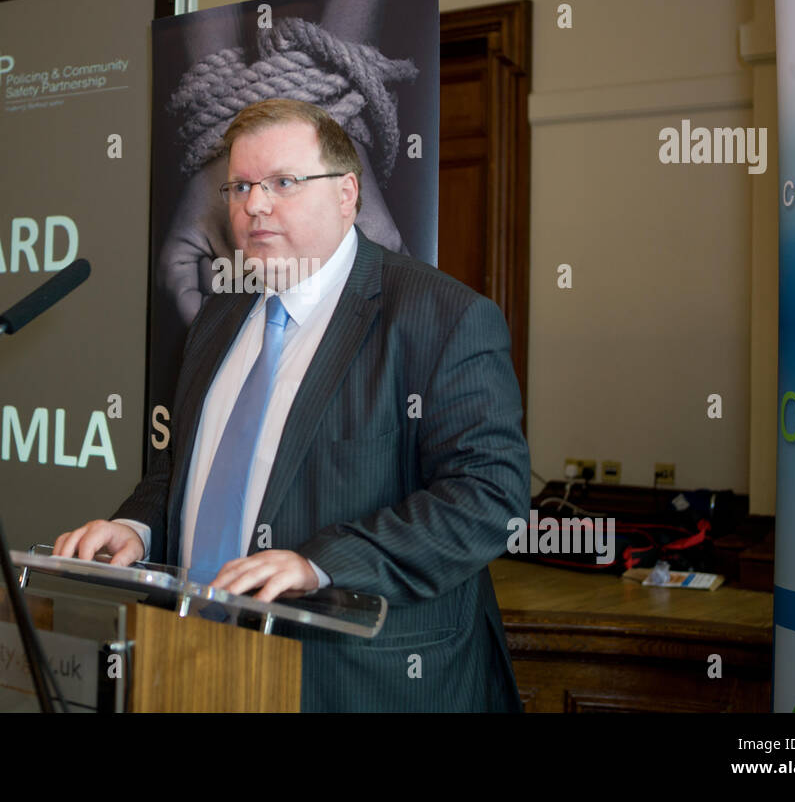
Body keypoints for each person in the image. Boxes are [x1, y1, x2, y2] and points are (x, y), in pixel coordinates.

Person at [53, 98, 530, 711]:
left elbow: (488, 497)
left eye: (283, 182)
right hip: (200, 663)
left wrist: (321, 565)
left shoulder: (441, 318)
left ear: (347, 194)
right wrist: (136, 528)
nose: (254, 204)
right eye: (241, 185)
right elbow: (184, 469)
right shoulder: (218, 316)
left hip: (360, 681)